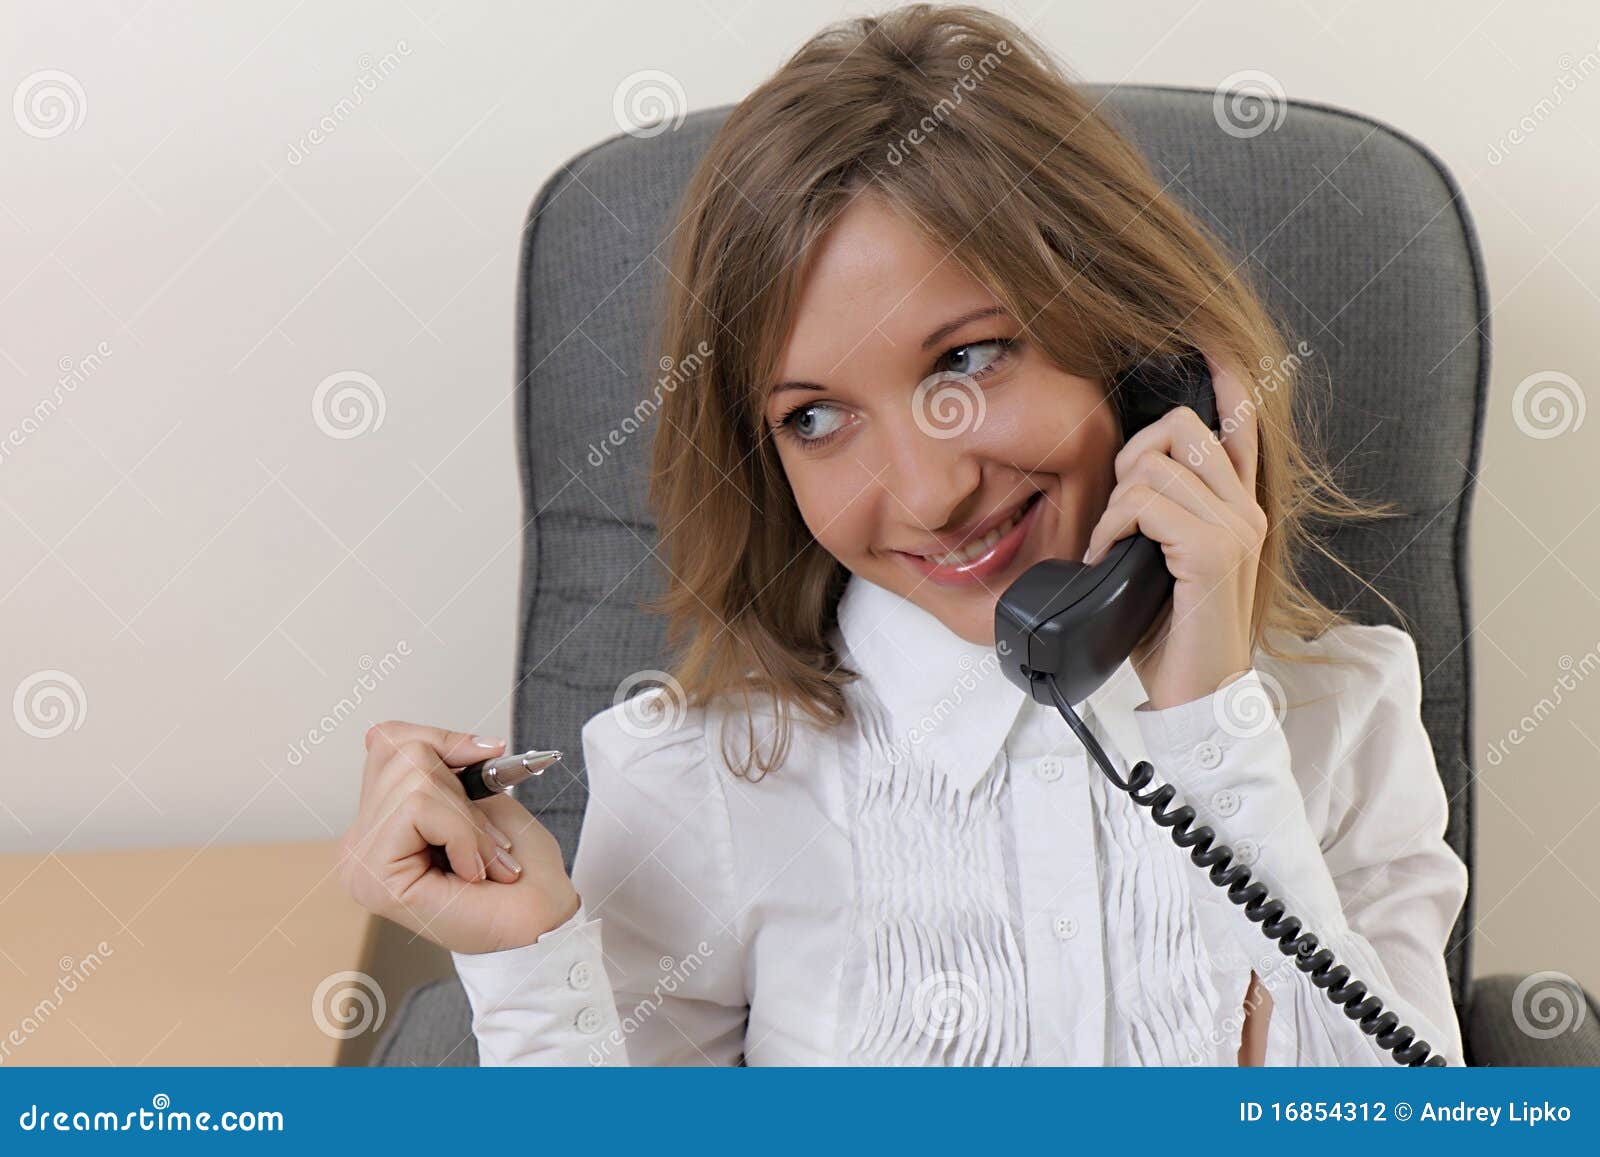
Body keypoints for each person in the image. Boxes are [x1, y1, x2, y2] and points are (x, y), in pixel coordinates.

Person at [338, 3, 1468, 1066]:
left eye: (968, 359)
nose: (929, 494)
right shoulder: (708, 773)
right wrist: (530, 963)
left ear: (1148, 357)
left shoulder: (1342, 719)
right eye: (815, 418)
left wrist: (1213, 736)